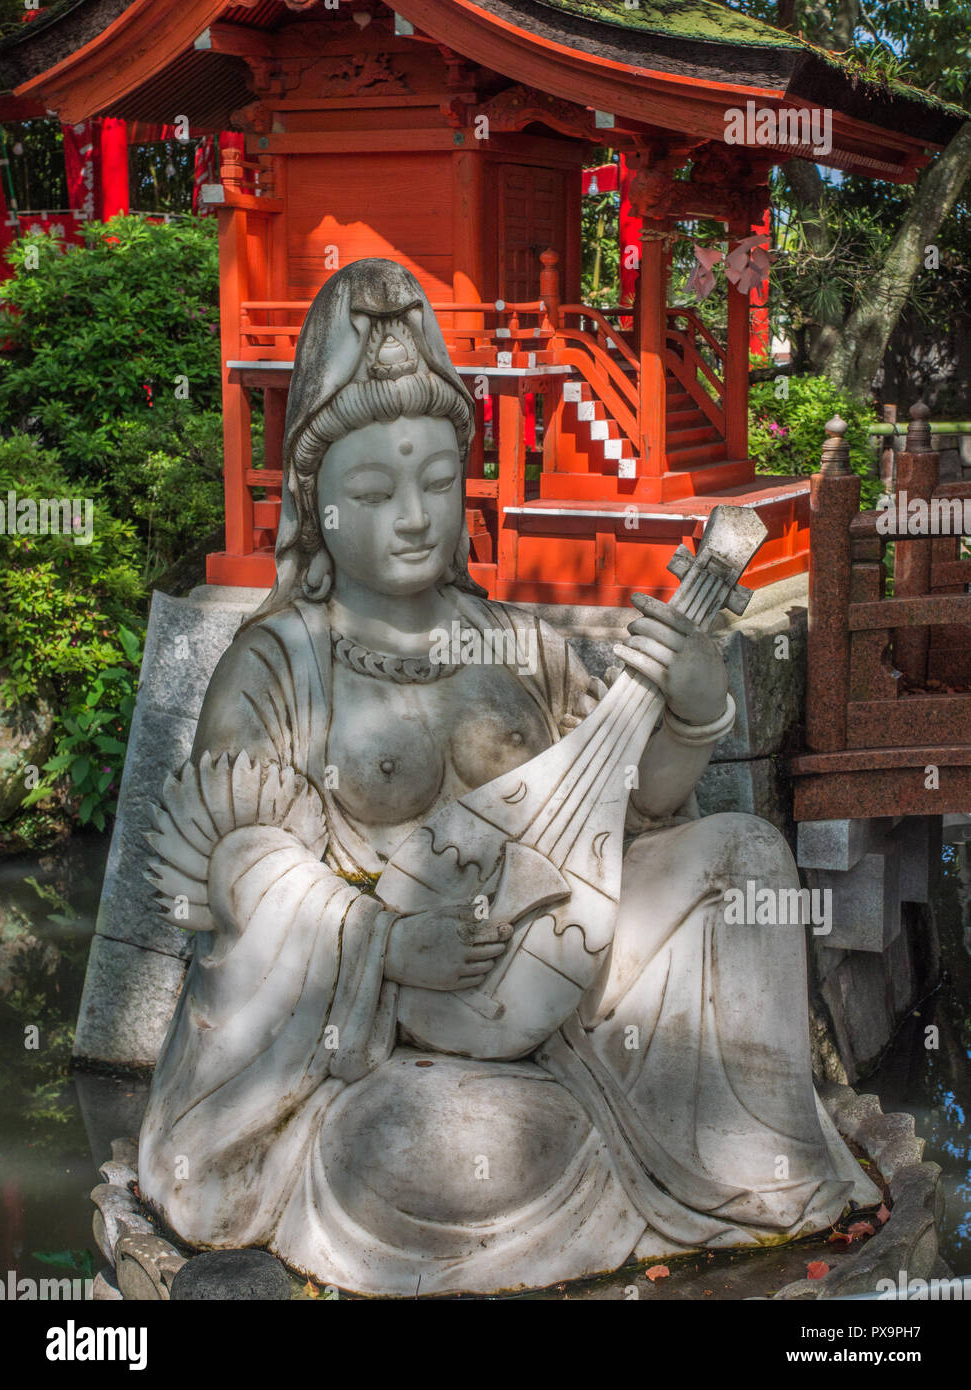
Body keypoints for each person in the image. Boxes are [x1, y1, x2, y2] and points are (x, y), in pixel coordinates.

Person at [139, 258, 877, 1295]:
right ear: (316, 503)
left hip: (558, 978)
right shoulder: (280, 667)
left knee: (746, 854)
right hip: (383, 1036)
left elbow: (638, 809)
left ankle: (753, 1172)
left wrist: (696, 703)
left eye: (437, 484)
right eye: (373, 489)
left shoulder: (514, 642)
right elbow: (237, 880)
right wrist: (386, 945)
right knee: (423, 1143)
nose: (410, 514)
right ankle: (609, 1155)